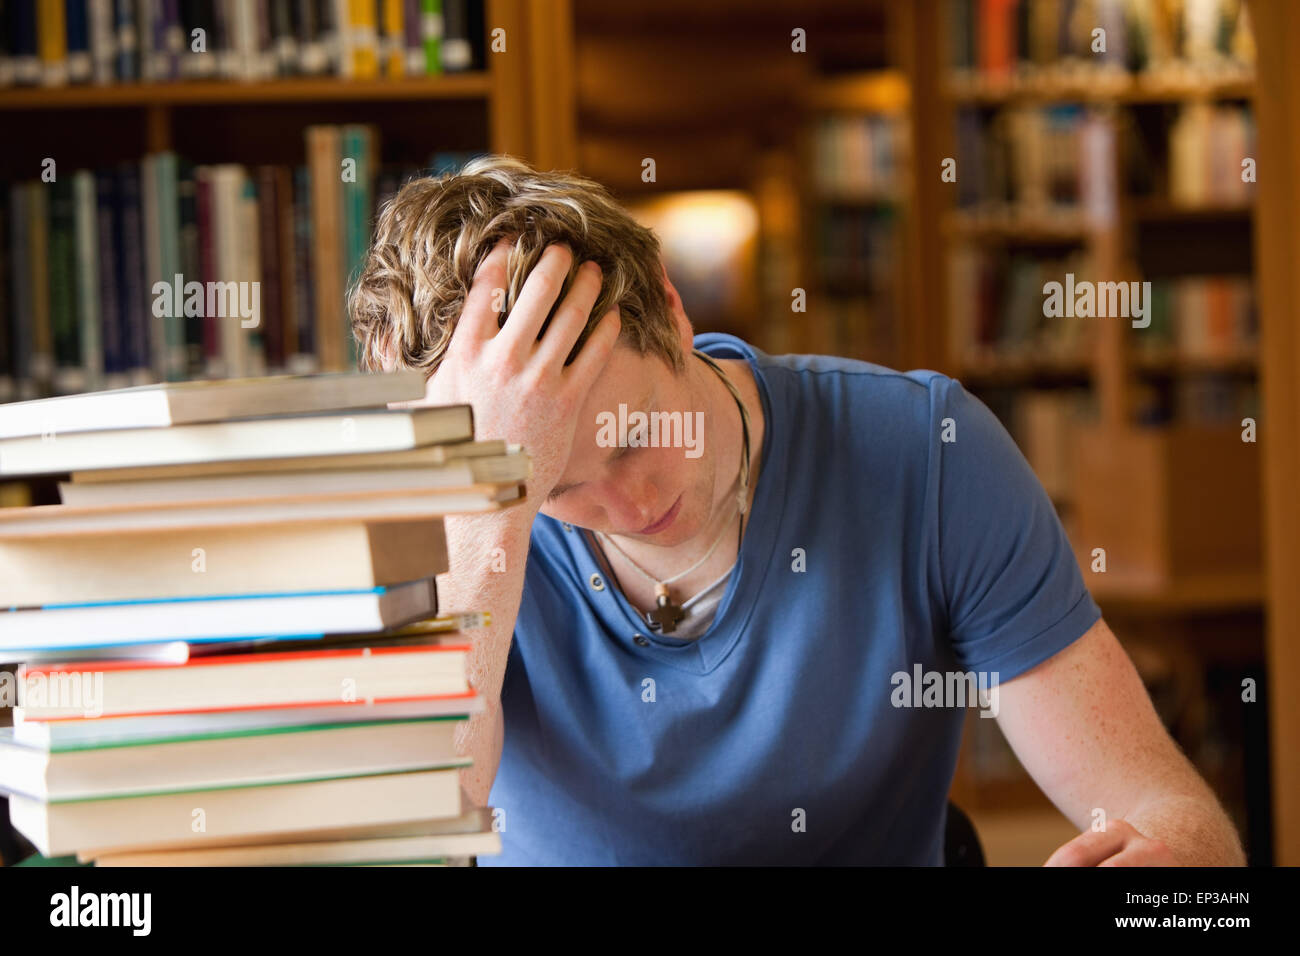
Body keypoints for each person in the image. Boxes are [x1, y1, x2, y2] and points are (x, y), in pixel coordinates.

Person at [349, 155, 1245, 866]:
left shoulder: (928, 452)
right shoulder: (436, 519)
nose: (632, 503)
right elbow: (411, 824)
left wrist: (1177, 859)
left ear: (668, 303)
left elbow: (1163, 808)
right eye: (555, 485)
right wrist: (492, 507)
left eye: (634, 436)